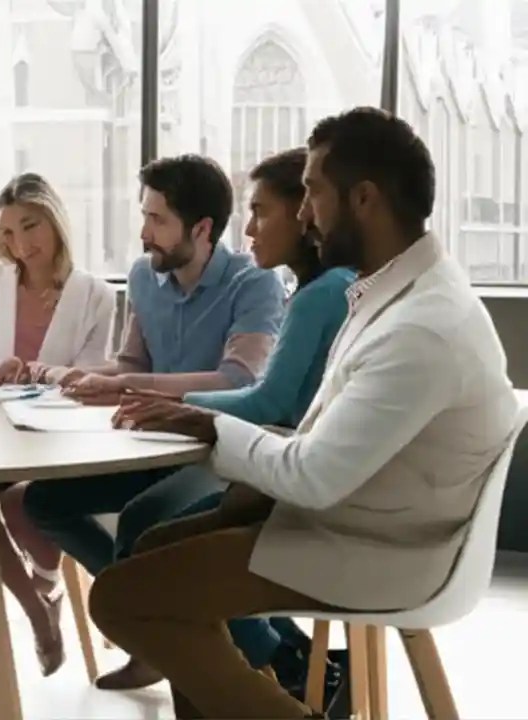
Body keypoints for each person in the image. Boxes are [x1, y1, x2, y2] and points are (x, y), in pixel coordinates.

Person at [91, 107, 517, 719]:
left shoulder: (423, 327)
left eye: (313, 191)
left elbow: (315, 477)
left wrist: (213, 424)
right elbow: (320, 441)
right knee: (153, 552)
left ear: (364, 198)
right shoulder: (395, 293)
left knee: (125, 599)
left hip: (384, 547)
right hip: (370, 519)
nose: (302, 212)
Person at [89, 148, 355, 693]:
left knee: (153, 532)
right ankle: (275, 661)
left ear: (305, 217)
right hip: (286, 460)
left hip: (285, 469)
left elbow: (265, 403)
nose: (250, 228)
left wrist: (183, 410)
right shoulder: (327, 287)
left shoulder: (314, 295)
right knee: (136, 526)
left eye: (261, 212)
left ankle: (285, 666)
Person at [17, 154, 284, 678]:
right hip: (150, 448)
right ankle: (156, 627)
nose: (143, 233)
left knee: (144, 522)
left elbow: (238, 381)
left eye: (157, 220)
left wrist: (125, 384)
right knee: (42, 501)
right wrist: (64, 377)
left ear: (202, 228)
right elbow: (131, 365)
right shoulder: (144, 277)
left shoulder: (254, 284)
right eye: (144, 216)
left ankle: (259, 652)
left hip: (220, 453)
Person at [0, 173, 116, 677]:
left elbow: (90, 379)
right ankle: (38, 611)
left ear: (54, 220)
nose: (21, 243)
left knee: (24, 499)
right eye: (8, 233)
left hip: (56, 438)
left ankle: (47, 580)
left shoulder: (95, 294)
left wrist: (34, 375)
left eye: (30, 226)